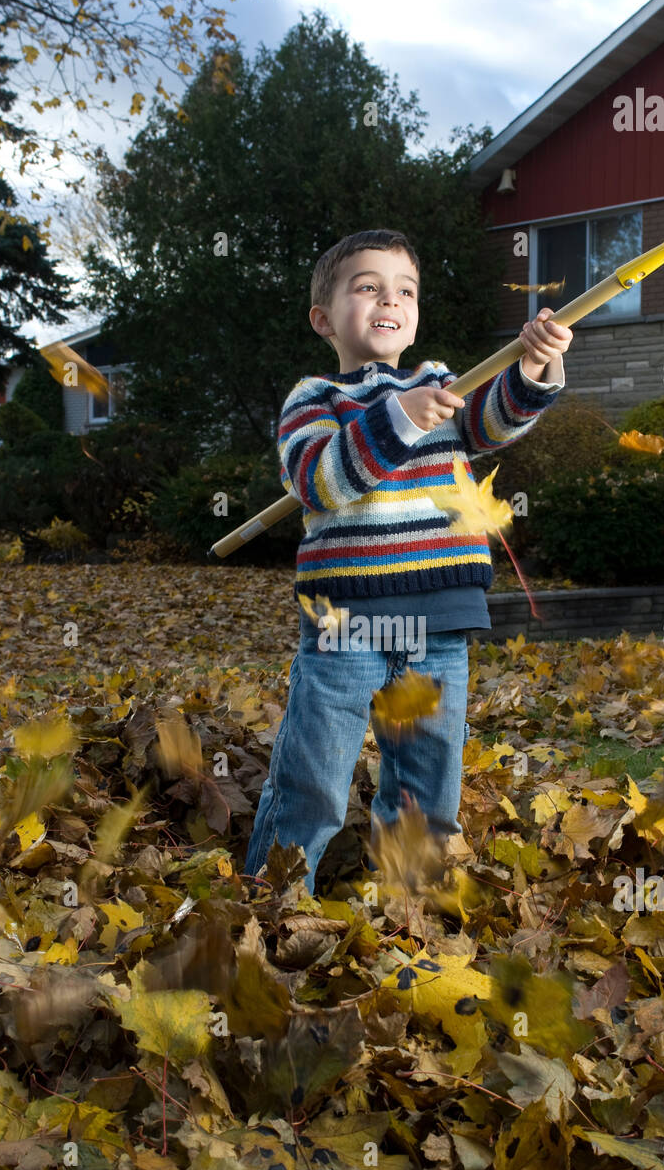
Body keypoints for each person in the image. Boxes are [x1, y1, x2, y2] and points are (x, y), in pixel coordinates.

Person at [243, 227, 572, 895]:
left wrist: (534, 367)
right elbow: (321, 482)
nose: (388, 299)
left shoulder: (443, 382)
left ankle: (408, 902)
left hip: (439, 621)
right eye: (366, 288)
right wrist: (399, 420)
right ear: (323, 317)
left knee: (427, 781)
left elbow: (491, 420)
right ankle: (274, 895)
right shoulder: (315, 399)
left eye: (404, 290)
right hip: (347, 624)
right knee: (316, 776)